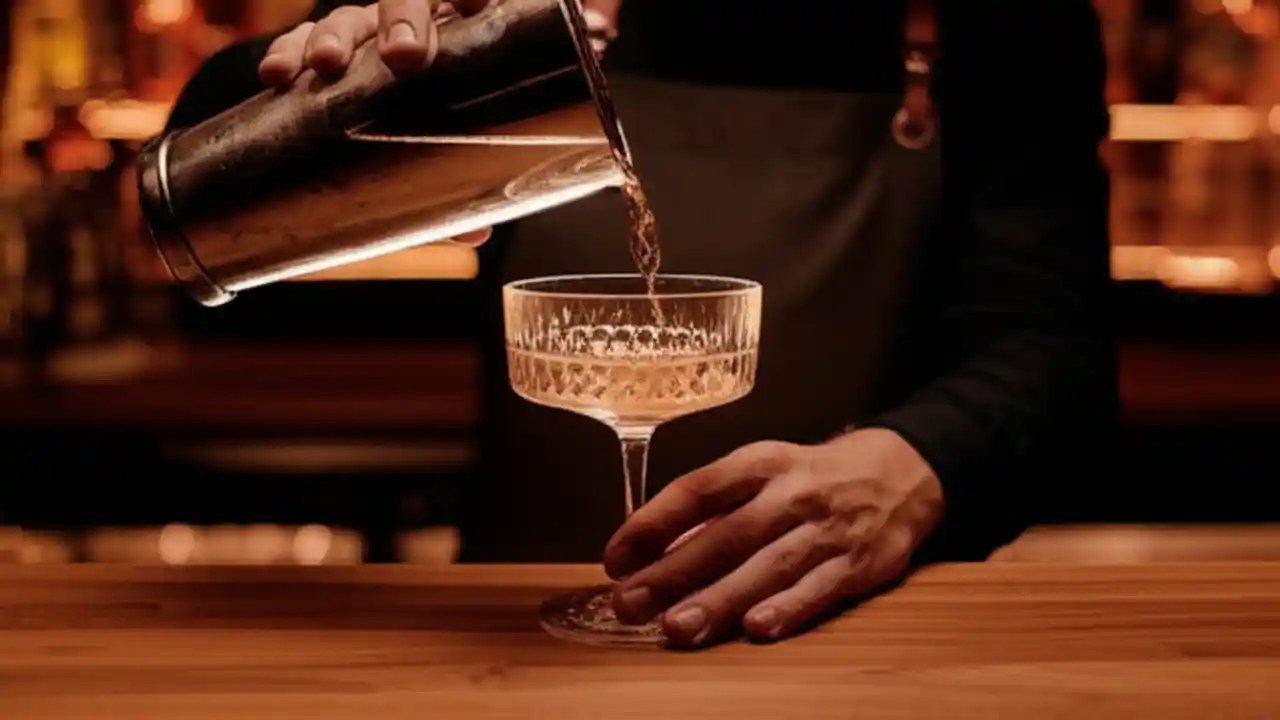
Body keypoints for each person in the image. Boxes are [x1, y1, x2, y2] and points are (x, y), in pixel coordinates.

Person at [165, 0, 1116, 648]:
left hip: (834, 642)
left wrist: (918, 465)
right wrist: (327, 72)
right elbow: (193, 176)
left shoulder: (995, 17)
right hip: (510, 642)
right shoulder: (516, 1)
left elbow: (1057, 359)